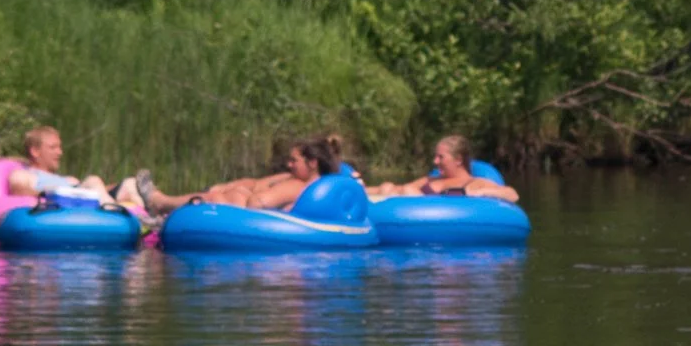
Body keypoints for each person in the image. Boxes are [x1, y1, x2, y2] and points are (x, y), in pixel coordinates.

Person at [129, 137, 342, 217]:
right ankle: (163, 206)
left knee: (222, 197)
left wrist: (245, 195)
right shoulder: (325, 187)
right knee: (233, 192)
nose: (289, 165)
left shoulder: (298, 185)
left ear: (312, 163)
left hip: (251, 221)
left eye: (294, 161)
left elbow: (258, 204)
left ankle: (159, 202)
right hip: (283, 226)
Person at [366, 134, 519, 202]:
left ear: (458, 160)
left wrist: (480, 193)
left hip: (440, 221)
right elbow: (397, 189)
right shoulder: (430, 180)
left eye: (441, 157)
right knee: (388, 187)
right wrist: (358, 188)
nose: (435, 161)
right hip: (411, 215)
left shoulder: (474, 183)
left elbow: (512, 195)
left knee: (408, 191)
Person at [7, 126, 119, 204]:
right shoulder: (25, 175)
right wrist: (60, 192)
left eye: (59, 147)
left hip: (83, 201)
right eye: (53, 147)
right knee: (92, 180)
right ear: (35, 151)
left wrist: (114, 187)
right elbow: (21, 191)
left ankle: (125, 218)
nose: (60, 152)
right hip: (60, 210)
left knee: (124, 183)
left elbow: (98, 191)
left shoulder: (70, 180)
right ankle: (116, 216)